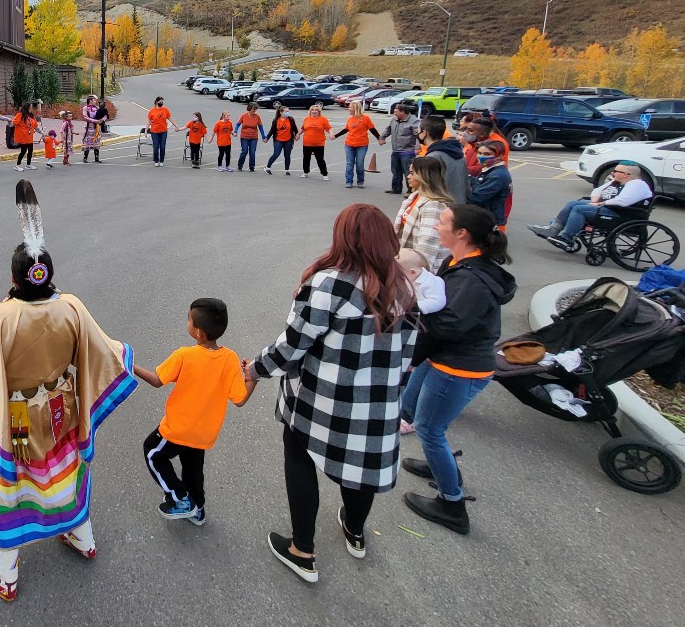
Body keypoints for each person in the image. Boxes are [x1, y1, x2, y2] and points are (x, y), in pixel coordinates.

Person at [0, 181, 137, 602]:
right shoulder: (71, 306)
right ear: (49, 274)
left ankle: (5, 572)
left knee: (11, 485)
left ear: (14, 277)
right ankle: (82, 538)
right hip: (59, 410)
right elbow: (105, 350)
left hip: (14, 418)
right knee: (63, 469)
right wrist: (130, 359)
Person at [245, 204, 418, 584]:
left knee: (299, 457)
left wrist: (254, 369)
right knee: (360, 467)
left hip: (319, 397)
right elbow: (407, 354)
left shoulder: (330, 283)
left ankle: (302, 550)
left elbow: (292, 345)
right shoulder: (403, 285)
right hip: (375, 400)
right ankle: (355, 531)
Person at [400, 205, 515, 536]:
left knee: (429, 428)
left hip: (458, 367)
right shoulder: (461, 263)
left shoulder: (470, 279)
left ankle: (451, 503)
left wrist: (409, 315)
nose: (437, 225)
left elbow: (447, 326)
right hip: (443, 359)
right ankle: (441, 465)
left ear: (462, 233)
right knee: (415, 408)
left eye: (443, 222)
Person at [133, 298, 255, 524]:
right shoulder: (229, 359)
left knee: (152, 453)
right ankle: (197, 509)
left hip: (177, 429)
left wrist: (129, 365)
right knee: (192, 470)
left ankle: (180, 499)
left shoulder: (185, 355)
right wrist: (251, 376)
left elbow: (157, 380)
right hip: (203, 433)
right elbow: (240, 399)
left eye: (189, 319)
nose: (187, 322)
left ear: (198, 333)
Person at [529, 161, 654, 252]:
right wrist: (595, 200)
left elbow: (623, 201)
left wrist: (600, 203)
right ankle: (553, 229)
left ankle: (566, 238)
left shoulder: (637, 185)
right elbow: (598, 190)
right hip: (608, 209)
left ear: (626, 174)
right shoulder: (616, 182)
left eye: (616, 171)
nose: (613, 173)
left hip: (620, 215)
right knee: (572, 203)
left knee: (579, 209)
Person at [395, 155, 455, 270]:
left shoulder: (434, 205)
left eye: (412, 173)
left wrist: (416, 270)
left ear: (424, 177)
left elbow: (427, 245)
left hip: (418, 269)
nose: (408, 177)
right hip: (407, 261)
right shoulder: (414, 197)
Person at [418, 117, 468, 204]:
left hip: (441, 206)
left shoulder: (433, 157)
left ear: (424, 133)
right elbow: (467, 186)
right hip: (459, 204)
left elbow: (429, 187)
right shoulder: (459, 154)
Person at [333, 101, 381, 189]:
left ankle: (360, 181)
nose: (348, 108)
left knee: (359, 163)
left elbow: (372, 129)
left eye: (350, 107)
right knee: (349, 164)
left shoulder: (365, 118)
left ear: (355, 108)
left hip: (362, 144)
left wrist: (379, 138)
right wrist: (336, 136)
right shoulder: (350, 119)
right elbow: (346, 129)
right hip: (349, 144)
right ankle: (349, 181)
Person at [467, 140, 512, 228]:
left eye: (487, 154)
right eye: (479, 153)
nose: (481, 157)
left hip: (491, 222)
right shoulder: (488, 169)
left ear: (500, 156)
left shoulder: (498, 175)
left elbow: (476, 197)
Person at [379, 103, 421, 194]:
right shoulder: (394, 120)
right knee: (395, 171)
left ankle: (410, 191)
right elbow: (388, 129)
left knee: (408, 172)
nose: (394, 114)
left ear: (402, 112)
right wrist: (382, 138)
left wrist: (417, 148)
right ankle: (396, 189)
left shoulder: (414, 121)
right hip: (396, 150)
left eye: (396, 112)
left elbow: (418, 136)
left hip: (407, 151)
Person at [398, 248, 447, 316]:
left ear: (413, 272)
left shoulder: (431, 282)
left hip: (424, 318)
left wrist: (416, 307)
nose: (397, 277)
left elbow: (438, 301)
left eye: (399, 274)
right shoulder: (409, 279)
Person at [298, 102, 332, 181]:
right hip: (307, 142)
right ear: (310, 111)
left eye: (316, 110)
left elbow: (328, 128)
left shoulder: (323, 119)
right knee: (306, 158)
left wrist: (331, 134)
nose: (314, 111)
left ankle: (324, 174)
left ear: (319, 111)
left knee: (320, 159)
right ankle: (305, 172)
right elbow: (303, 128)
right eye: (312, 110)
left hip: (318, 143)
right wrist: (298, 134)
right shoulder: (306, 119)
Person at [264, 104, 298, 175]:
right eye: (286, 111)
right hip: (278, 140)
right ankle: (267, 167)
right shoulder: (276, 120)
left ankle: (287, 170)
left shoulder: (291, 119)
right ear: (281, 112)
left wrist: (297, 135)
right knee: (276, 154)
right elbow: (272, 130)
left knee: (287, 155)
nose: (287, 113)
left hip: (288, 140)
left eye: (288, 111)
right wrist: (267, 138)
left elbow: (295, 129)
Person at [234, 103, 265, 172]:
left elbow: (260, 127)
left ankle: (252, 167)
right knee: (244, 151)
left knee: (252, 152)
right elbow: (238, 124)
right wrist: (235, 131)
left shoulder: (257, 117)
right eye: (253, 110)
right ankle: (240, 166)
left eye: (255, 110)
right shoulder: (243, 116)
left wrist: (263, 136)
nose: (254, 111)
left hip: (254, 137)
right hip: (244, 136)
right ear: (249, 109)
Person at [146, 97, 177, 167]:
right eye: (160, 101)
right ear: (156, 102)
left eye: (162, 102)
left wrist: (175, 125)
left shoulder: (165, 110)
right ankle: (156, 160)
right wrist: (146, 130)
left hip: (163, 131)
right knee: (156, 146)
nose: (161, 103)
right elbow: (149, 121)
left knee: (162, 146)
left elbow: (170, 118)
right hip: (154, 131)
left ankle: (162, 160)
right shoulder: (152, 111)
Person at [11, 103, 39, 171]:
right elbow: (13, 123)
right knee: (23, 151)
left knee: (30, 151)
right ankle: (17, 165)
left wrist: (41, 132)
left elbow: (35, 126)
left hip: (29, 137)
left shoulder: (31, 116)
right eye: (30, 108)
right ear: (27, 108)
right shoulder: (20, 115)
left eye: (32, 108)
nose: (31, 109)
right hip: (23, 137)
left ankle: (28, 164)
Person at [81, 95, 106, 163]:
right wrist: (95, 121)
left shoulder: (97, 108)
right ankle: (85, 157)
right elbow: (85, 117)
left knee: (96, 141)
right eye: (94, 100)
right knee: (87, 141)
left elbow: (105, 115)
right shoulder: (85, 108)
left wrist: (102, 120)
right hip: (89, 127)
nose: (95, 101)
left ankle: (96, 158)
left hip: (96, 127)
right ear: (90, 101)